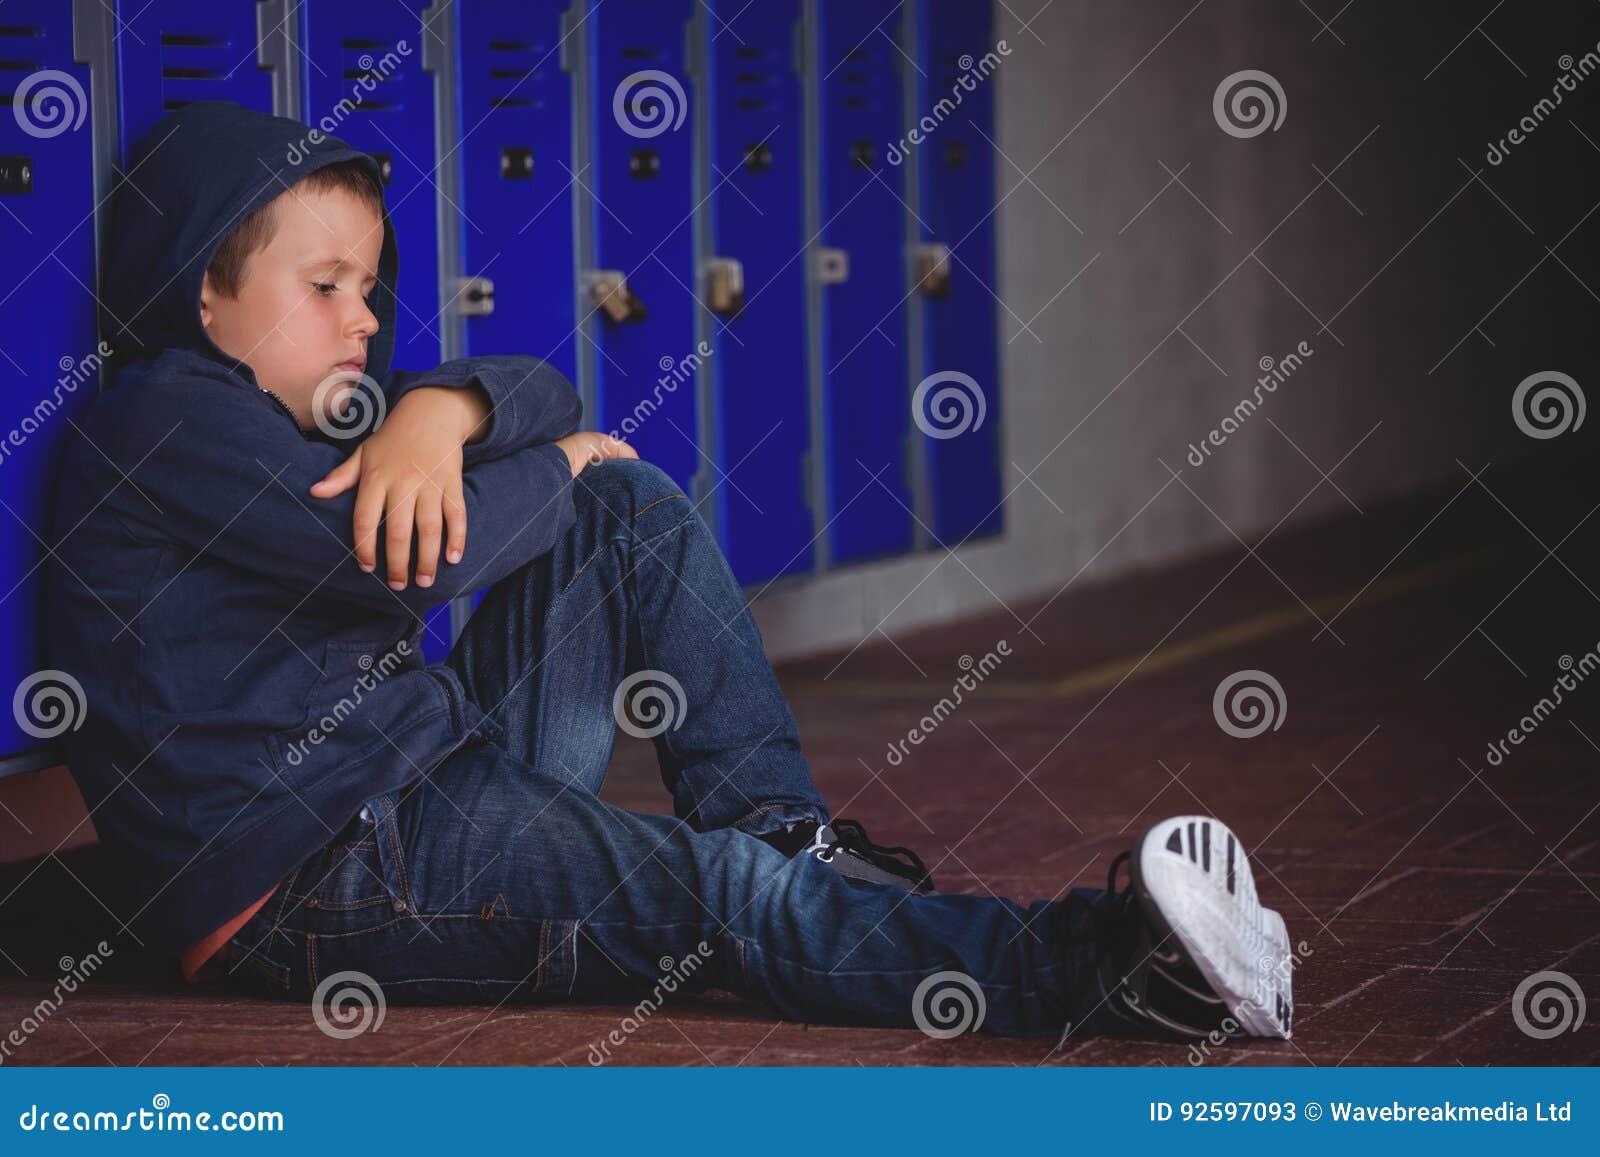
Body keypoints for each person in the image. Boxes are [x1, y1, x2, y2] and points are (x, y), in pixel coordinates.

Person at [46, 101, 1293, 1048]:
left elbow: (548, 391)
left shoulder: (303, 406)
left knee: (624, 508)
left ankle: (781, 823)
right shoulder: (165, 416)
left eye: (368, 288)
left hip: (421, 783)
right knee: (723, 897)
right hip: (324, 878)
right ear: (203, 292)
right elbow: (425, 558)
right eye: (324, 288)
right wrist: (547, 457)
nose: (366, 318)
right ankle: (1114, 969)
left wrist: (447, 408)